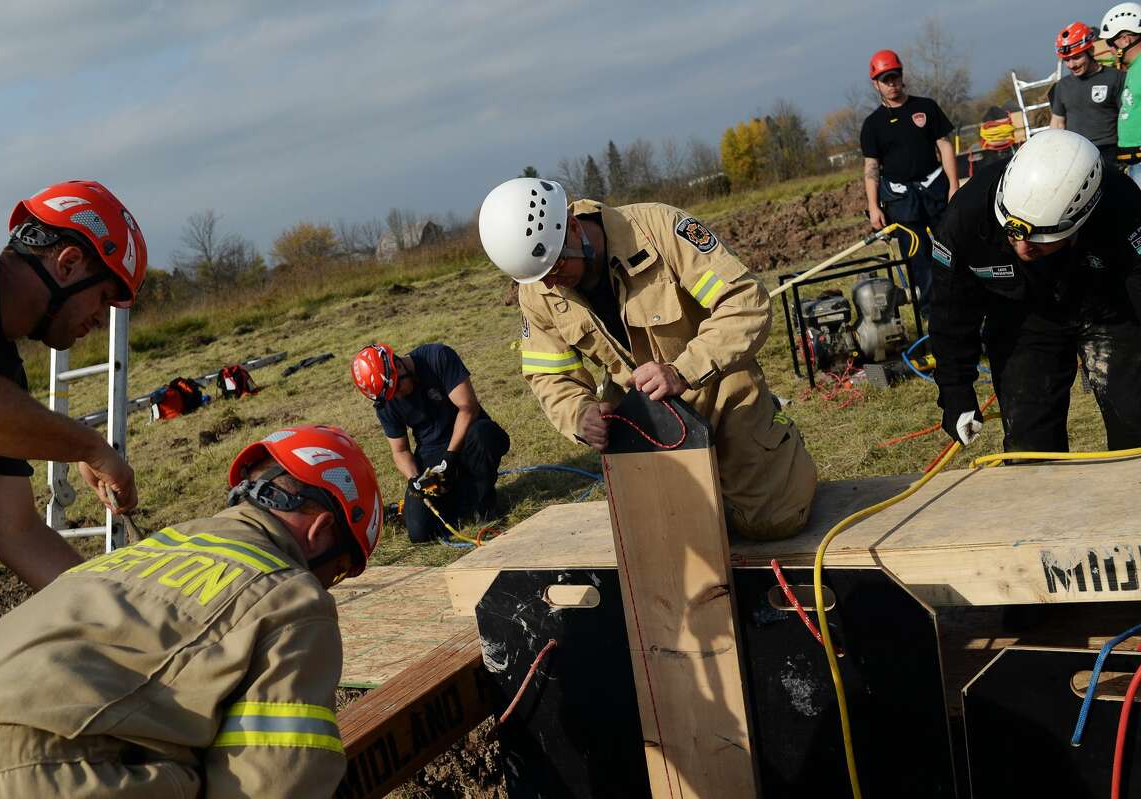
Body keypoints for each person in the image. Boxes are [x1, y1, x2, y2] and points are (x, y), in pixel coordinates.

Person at [0, 424, 382, 798]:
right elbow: (277, 783)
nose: (329, 583)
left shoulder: (141, 553)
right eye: (340, 571)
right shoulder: (292, 598)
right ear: (322, 530)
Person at [478, 177, 817, 540]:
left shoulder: (659, 229)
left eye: (557, 267)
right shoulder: (538, 288)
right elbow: (549, 374)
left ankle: (772, 444)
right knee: (667, 541)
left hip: (720, 390)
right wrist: (581, 414)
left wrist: (682, 371)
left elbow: (745, 303)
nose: (550, 285)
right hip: (640, 417)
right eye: (540, 278)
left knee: (773, 522)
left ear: (573, 227)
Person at [0, 180, 147, 657]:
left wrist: (125, 618)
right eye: (104, 297)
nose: (101, 319)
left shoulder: (5, 380)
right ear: (68, 263)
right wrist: (88, 446)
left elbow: (19, 534)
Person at [930, 129, 1141, 453]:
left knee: (1134, 420)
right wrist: (955, 390)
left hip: (1107, 304)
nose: (1022, 246)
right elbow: (950, 310)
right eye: (1013, 234)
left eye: (1040, 240)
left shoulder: (1123, 204)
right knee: (1030, 445)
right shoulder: (965, 219)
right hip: (1023, 315)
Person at [351, 343, 510, 542]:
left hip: (469, 433)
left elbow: (468, 407)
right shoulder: (386, 399)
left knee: (483, 436)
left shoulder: (437, 357)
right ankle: (461, 498)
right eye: (391, 395)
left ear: (398, 366)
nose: (397, 396)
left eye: (397, 388)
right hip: (431, 450)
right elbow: (400, 451)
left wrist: (450, 458)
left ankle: (484, 507)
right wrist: (414, 479)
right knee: (420, 533)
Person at [860, 49, 959, 318]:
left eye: (895, 77)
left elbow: (944, 146)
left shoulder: (926, 107)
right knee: (918, 258)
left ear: (902, 76)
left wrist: (954, 186)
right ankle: (931, 315)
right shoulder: (873, 124)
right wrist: (873, 207)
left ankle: (963, 303)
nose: (892, 84)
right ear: (876, 84)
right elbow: (871, 167)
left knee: (951, 247)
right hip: (902, 202)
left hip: (936, 191)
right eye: (885, 80)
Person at [1050, 21, 1126, 162]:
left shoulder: (1115, 77)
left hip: (1111, 153)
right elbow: (1057, 123)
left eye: (1077, 57)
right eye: (1066, 60)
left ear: (1091, 51)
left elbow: (1127, 115)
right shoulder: (1062, 86)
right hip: (1076, 156)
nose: (1071, 65)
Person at [1103, 2, 1141, 183]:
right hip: (1134, 162)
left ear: (1125, 40)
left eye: (1110, 43)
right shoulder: (1132, 68)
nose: (1110, 50)